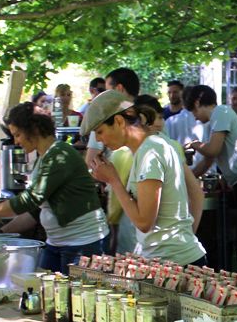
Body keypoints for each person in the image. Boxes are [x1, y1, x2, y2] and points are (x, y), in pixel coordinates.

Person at [0, 103, 109, 273]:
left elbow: (29, 200)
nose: (16, 141)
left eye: (18, 134)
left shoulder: (59, 155)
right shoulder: (43, 158)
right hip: (56, 244)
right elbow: (35, 211)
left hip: (82, 244)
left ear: (34, 129)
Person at [85, 90, 205, 266]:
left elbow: (144, 222)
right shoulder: (153, 145)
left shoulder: (151, 152)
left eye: (100, 131)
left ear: (118, 121)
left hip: (175, 263)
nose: (98, 139)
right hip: (170, 259)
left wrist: (114, 181)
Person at [183, 84, 237, 273]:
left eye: (193, 110)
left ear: (198, 102)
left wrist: (195, 145)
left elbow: (212, 150)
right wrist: (184, 177)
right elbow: (208, 161)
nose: (194, 117)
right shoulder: (216, 123)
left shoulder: (222, 112)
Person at [85, 68, 140, 171]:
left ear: (119, 89)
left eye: (107, 91)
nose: (103, 95)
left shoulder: (103, 118)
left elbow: (90, 164)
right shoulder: (152, 115)